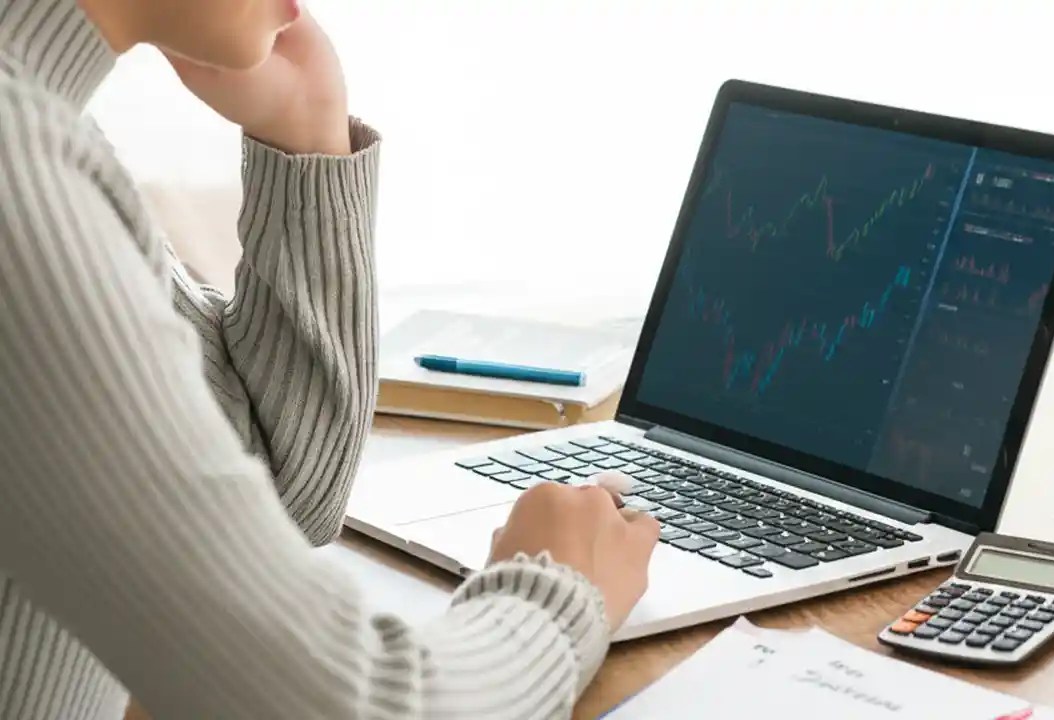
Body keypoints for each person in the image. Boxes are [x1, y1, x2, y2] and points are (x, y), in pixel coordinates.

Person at [0, 0, 660, 717]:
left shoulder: (42, 123)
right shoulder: (19, 178)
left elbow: (273, 494)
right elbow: (344, 706)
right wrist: (561, 596)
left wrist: (305, 130)